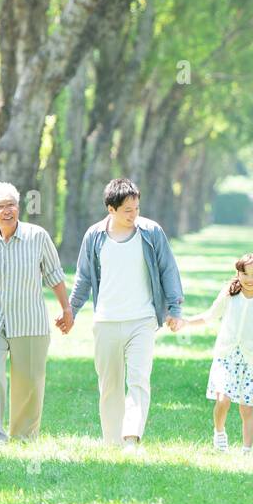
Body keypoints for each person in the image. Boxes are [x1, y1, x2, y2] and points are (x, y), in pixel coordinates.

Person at [63, 178, 184, 450]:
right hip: (106, 321)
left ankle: (131, 438)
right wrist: (71, 311)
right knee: (110, 387)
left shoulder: (151, 233)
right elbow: (83, 278)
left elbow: (168, 270)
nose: (134, 215)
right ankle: (112, 443)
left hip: (142, 320)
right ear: (111, 209)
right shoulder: (94, 236)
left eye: (137, 208)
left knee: (139, 380)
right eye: (127, 210)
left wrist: (174, 310)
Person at [0, 182, 71, 444]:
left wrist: (66, 308)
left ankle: (23, 436)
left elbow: (55, 276)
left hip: (29, 319)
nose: (7, 211)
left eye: (11, 204)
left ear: (18, 207)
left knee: (29, 380)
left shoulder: (38, 236)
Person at [176, 252, 253, 453]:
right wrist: (186, 322)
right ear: (237, 274)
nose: (249, 279)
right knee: (223, 399)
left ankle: (247, 449)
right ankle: (219, 432)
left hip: (252, 360)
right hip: (226, 357)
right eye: (244, 273)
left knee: (247, 407)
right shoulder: (229, 296)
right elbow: (209, 317)